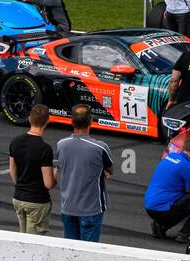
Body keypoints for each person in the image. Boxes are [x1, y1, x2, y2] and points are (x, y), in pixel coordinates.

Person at [54, 105, 113, 242]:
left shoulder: (61, 145)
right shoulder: (100, 147)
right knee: (89, 252)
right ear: (91, 121)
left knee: (71, 250)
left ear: (71, 121)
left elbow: (62, 165)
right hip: (91, 209)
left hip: (68, 207)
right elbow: (110, 170)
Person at [145, 137, 190, 243]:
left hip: (150, 205)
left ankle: (161, 225)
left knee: (180, 201)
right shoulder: (188, 167)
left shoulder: (170, 156)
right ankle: (186, 233)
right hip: (163, 210)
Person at [8, 104, 56, 234]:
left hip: (18, 198)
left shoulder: (15, 142)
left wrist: (20, 186)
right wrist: (56, 176)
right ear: (47, 121)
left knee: (22, 238)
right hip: (37, 200)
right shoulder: (44, 149)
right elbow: (48, 183)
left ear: (29, 119)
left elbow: (12, 170)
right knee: (35, 243)